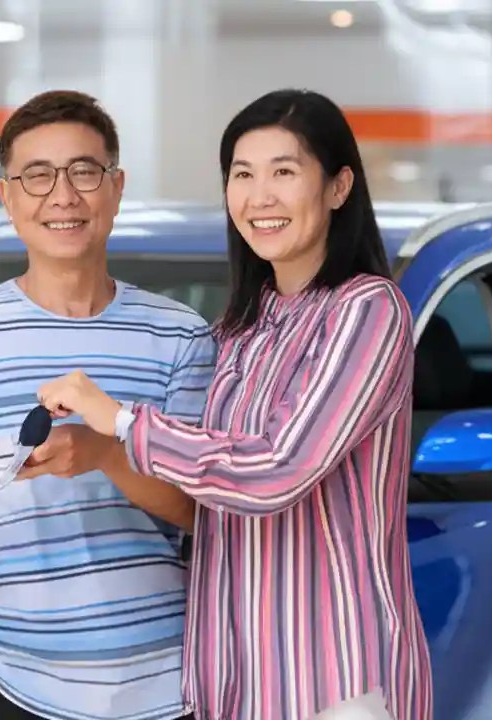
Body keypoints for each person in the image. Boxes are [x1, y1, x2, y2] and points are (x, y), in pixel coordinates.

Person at [35, 88, 434, 720]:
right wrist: (101, 449)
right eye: (242, 175)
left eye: (284, 171)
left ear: (338, 187)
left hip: (333, 681)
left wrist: (119, 416)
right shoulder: (237, 331)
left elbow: (274, 469)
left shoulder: (368, 311)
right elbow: (200, 483)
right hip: (230, 679)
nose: (260, 196)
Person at [0, 90, 216, 720]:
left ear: (116, 186)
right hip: (1, 674)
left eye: (84, 172)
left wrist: (107, 454)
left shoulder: (181, 336)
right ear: (8, 196)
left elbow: (202, 512)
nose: (63, 196)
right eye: (38, 176)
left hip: (160, 682)